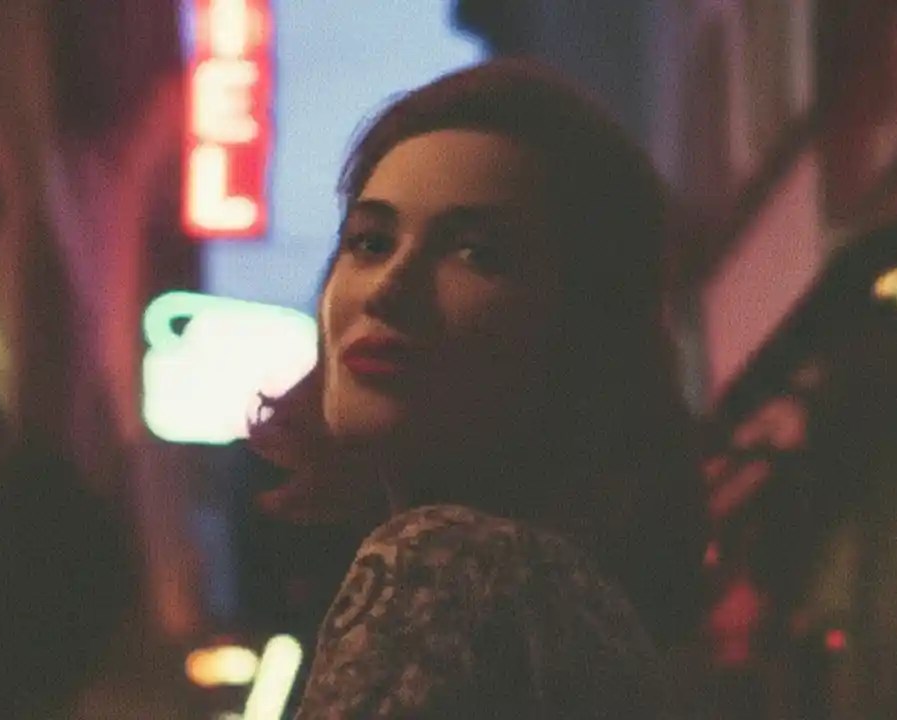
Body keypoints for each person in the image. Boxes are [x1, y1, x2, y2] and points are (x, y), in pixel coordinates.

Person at [249, 58, 705, 718]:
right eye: (371, 241)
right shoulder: (569, 602)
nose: (388, 289)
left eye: (477, 253)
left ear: (583, 325)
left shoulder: (445, 567)